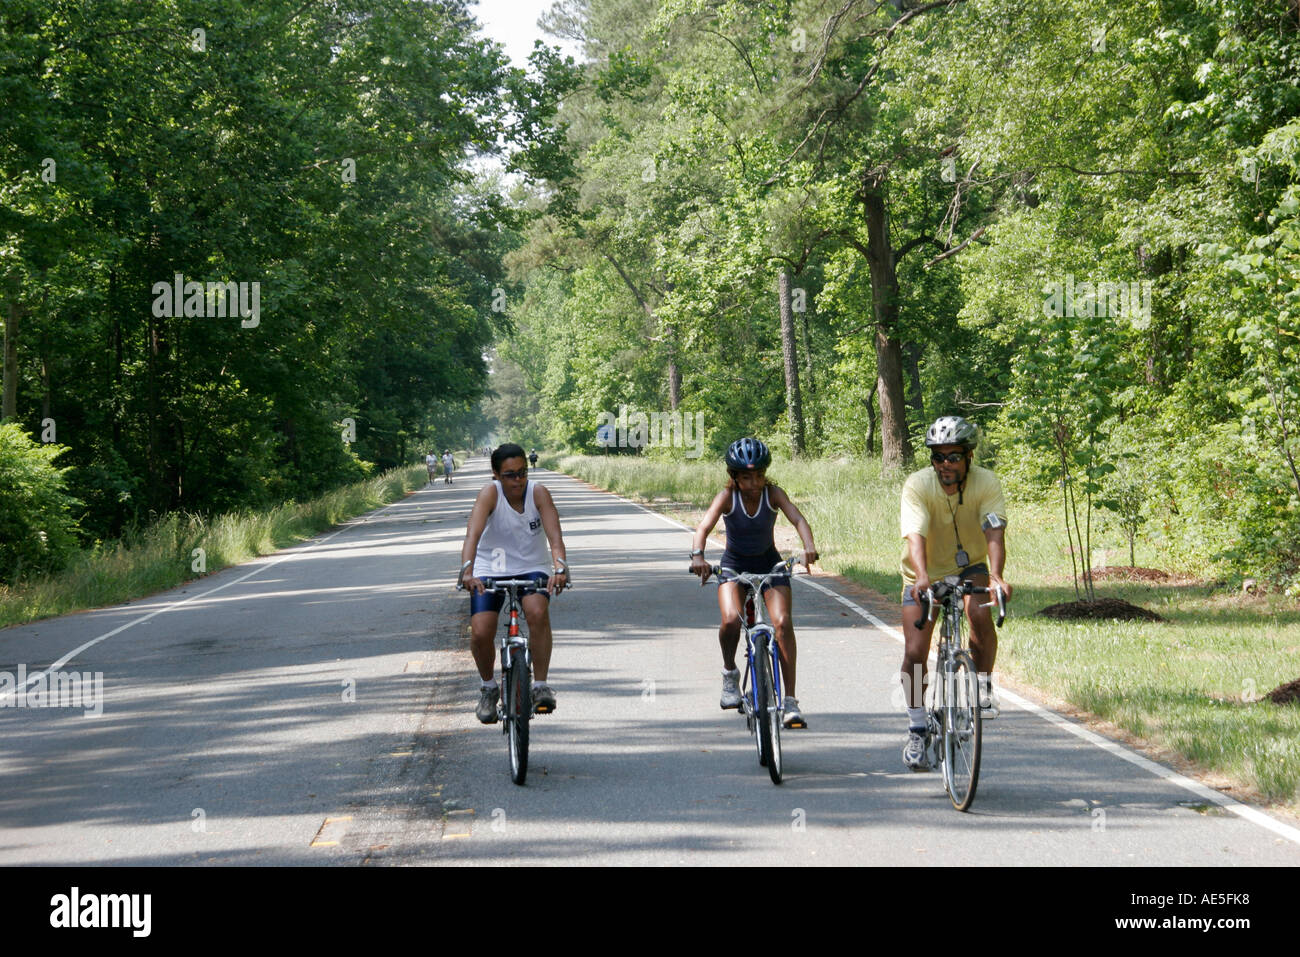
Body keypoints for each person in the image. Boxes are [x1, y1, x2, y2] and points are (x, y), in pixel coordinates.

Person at [899, 415, 1012, 771]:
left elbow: (994, 532)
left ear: (968, 457)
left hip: (970, 567)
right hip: (924, 574)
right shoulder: (918, 485)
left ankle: (982, 686)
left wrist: (996, 576)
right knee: (916, 652)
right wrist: (920, 577)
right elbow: (915, 535)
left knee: (979, 612)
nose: (945, 464)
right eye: (938, 457)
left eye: (953, 457)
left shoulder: (986, 482)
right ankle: (918, 726)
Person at [690, 437, 818, 728]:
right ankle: (729, 675)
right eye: (747, 477)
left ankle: (791, 702)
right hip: (734, 567)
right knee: (731, 621)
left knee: (783, 623)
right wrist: (698, 555)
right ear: (734, 477)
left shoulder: (773, 494)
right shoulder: (727, 497)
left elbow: (797, 519)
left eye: (759, 475)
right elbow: (704, 525)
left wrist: (808, 546)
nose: (755, 482)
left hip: (769, 564)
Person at [459, 443, 569, 722]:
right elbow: (472, 534)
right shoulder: (489, 494)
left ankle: (540, 685)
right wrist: (467, 571)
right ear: (496, 474)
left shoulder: (538, 493)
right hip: (489, 568)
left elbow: (555, 537)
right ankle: (488, 688)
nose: (518, 480)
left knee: (536, 611)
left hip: (532, 567)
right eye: (510, 475)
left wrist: (560, 567)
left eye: (522, 472)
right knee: (482, 631)